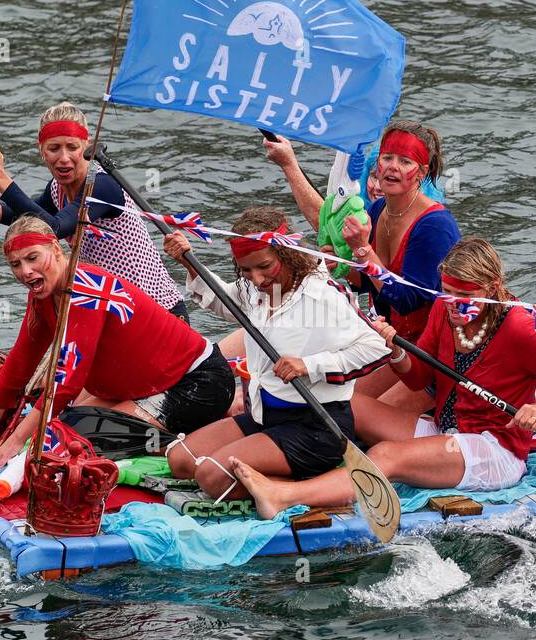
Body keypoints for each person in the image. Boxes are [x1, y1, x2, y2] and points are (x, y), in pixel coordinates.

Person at [228, 238, 536, 519]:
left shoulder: (518, 327)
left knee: (385, 455)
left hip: (493, 448)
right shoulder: (443, 310)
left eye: (464, 295)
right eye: (447, 292)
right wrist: (397, 351)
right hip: (445, 430)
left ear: (492, 288)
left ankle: (284, 496)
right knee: (345, 401)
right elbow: (419, 380)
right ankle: (313, 467)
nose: (453, 303)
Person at [0, 216, 233, 481]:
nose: (25, 271)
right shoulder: (42, 294)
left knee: (75, 439)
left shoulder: (84, 292)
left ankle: (197, 438)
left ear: (56, 250)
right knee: (67, 424)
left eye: (33, 258)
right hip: (147, 385)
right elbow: (21, 360)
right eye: (16, 264)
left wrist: (13, 442)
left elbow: (64, 384)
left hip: (198, 384)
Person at [161, 206, 389, 503]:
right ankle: (273, 472)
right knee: (180, 461)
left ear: (287, 254)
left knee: (210, 477)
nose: (256, 279)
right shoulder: (254, 290)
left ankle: (296, 488)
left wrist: (309, 365)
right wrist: (189, 263)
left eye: (264, 267)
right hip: (264, 417)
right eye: (245, 270)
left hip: (316, 427)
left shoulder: (320, 296)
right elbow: (226, 303)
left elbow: (375, 347)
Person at [0, 101, 187, 320]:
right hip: (117, 307)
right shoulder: (57, 188)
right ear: (41, 150)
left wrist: (0, 178)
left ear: (86, 146)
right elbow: (25, 215)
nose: (64, 158)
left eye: (72, 147)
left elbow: (56, 228)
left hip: (160, 311)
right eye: (54, 148)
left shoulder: (102, 185)